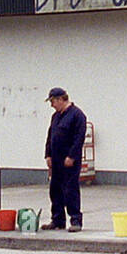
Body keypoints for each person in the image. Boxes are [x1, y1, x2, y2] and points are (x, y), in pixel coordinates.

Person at [43, 87, 87, 231]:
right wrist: (48, 154)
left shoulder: (77, 115)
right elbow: (50, 137)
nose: (52, 105)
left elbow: (78, 139)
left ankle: (75, 220)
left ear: (62, 99)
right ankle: (57, 220)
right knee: (55, 190)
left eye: (53, 101)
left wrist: (72, 156)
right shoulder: (55, 116)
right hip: (55, 160)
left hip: (69, 161)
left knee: (70, 189)